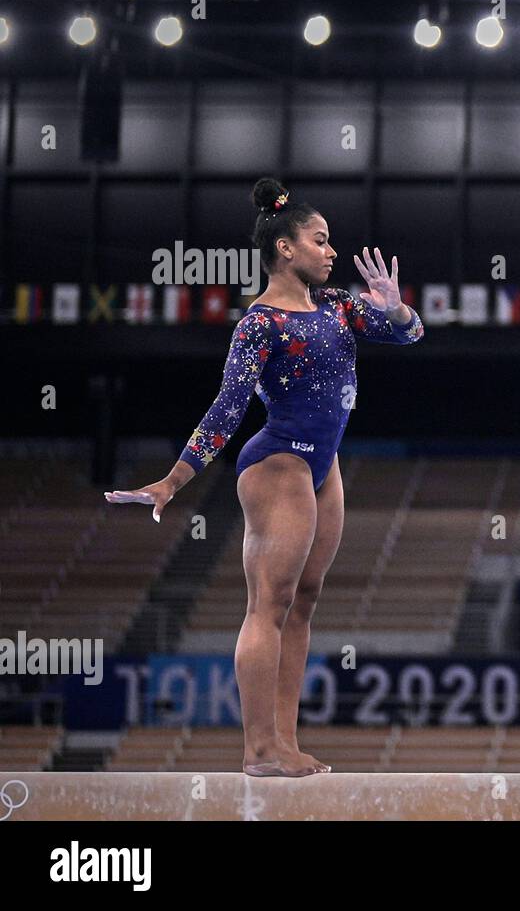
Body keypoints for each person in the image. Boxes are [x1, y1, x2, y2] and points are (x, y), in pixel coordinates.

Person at [105, 177, 425, 776]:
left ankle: (285, 740)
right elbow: (228, 405)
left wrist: (396, 305)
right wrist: (174, 481)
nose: (333, 252)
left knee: (304, 601)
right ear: (285, 248)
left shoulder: (336, 308)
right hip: (279, 462)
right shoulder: (261, 323)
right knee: (270, 604)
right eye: (321, 240)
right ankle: (257, 749)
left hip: (323, 467)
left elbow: (411, 334)